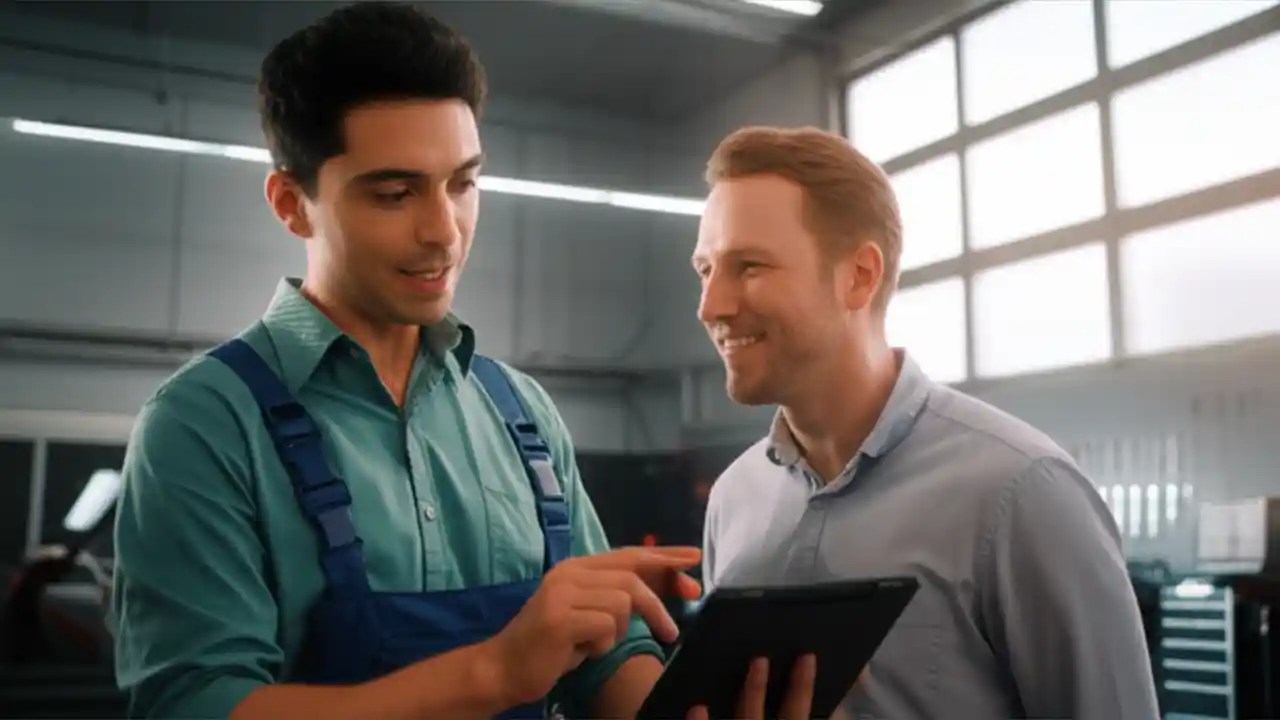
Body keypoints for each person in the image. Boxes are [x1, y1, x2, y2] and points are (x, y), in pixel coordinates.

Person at [110, 4, 815, 719]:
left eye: (463, 183)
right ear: (293, 203)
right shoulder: (203, 426)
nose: (443, 230)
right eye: (395, 193)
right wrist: (491, 673)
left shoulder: (521, 415)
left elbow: (604, 654)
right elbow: (193, 704)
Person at [692, 126, 1160, 719]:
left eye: (749, 266)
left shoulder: (1021, 494)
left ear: (858, 276)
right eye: (705, 270)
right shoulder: (734, 500)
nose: (711, 306)